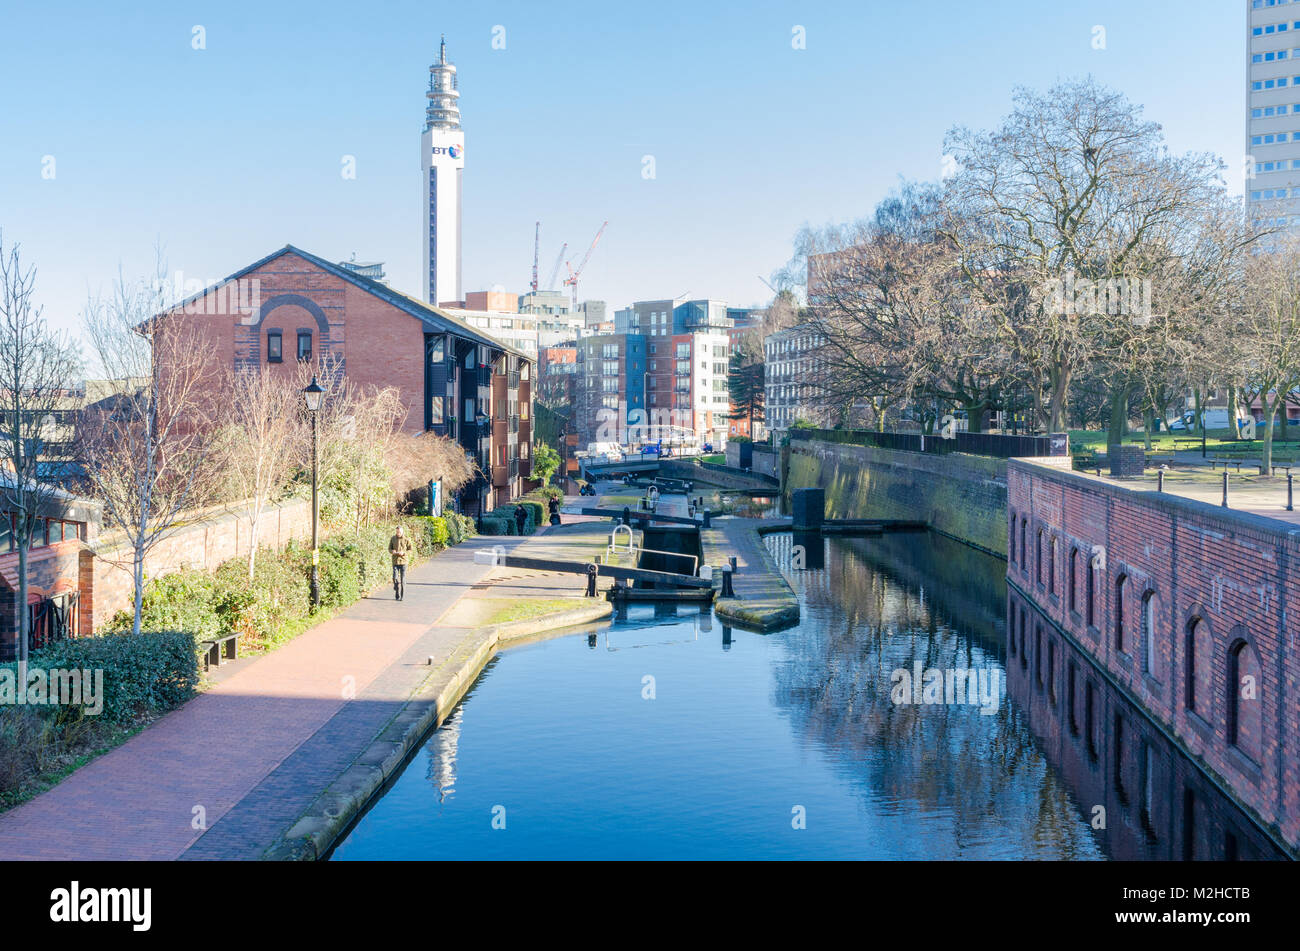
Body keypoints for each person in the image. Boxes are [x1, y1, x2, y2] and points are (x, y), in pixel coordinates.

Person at [389, 524, 412, 600]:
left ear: (402, 532)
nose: (398, 533)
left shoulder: (406, 539)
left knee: (402, 579)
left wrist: (404, 553)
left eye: (399, 532)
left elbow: (410, 549)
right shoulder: (393, 538)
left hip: (403, 562)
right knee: (395, 578)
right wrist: (392, 551)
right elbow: (389, 548)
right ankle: (396, 590)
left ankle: (402, 595)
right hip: (395, 561)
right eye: (397, 532)